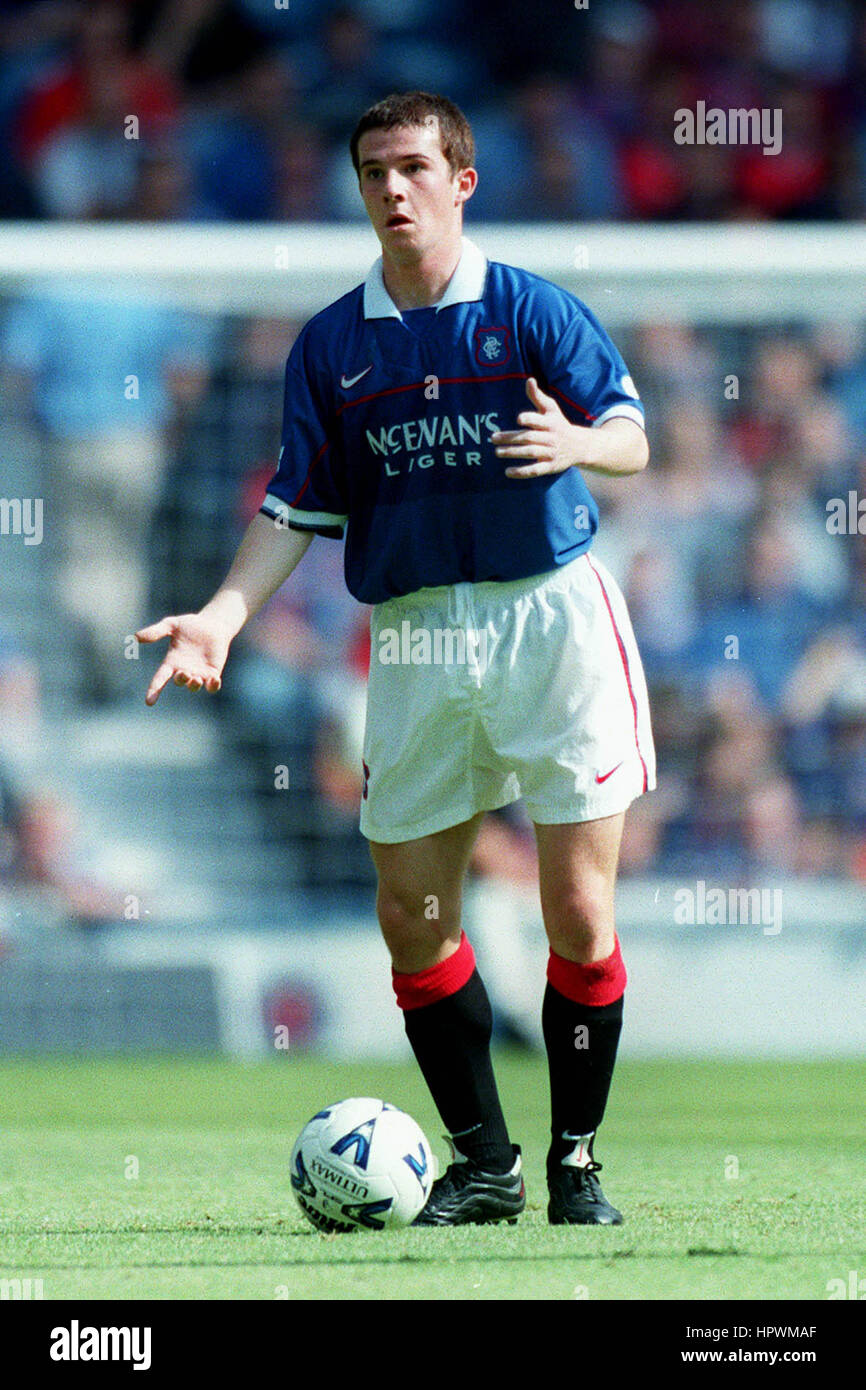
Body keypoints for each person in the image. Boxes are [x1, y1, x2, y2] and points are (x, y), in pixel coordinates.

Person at [137, 91, 655, 1227]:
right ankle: (486, 1165)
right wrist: (223, 614)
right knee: (412, 916)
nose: (393, 188)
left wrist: (576, 442)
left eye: (415, 166)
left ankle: (575, 1161)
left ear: (461, 181)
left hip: (550, 618)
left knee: (577, 909)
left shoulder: (529, 310)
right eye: (374, 171)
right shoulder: (330, 345)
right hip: (415, 637)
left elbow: (629, 430)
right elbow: (295, 505)